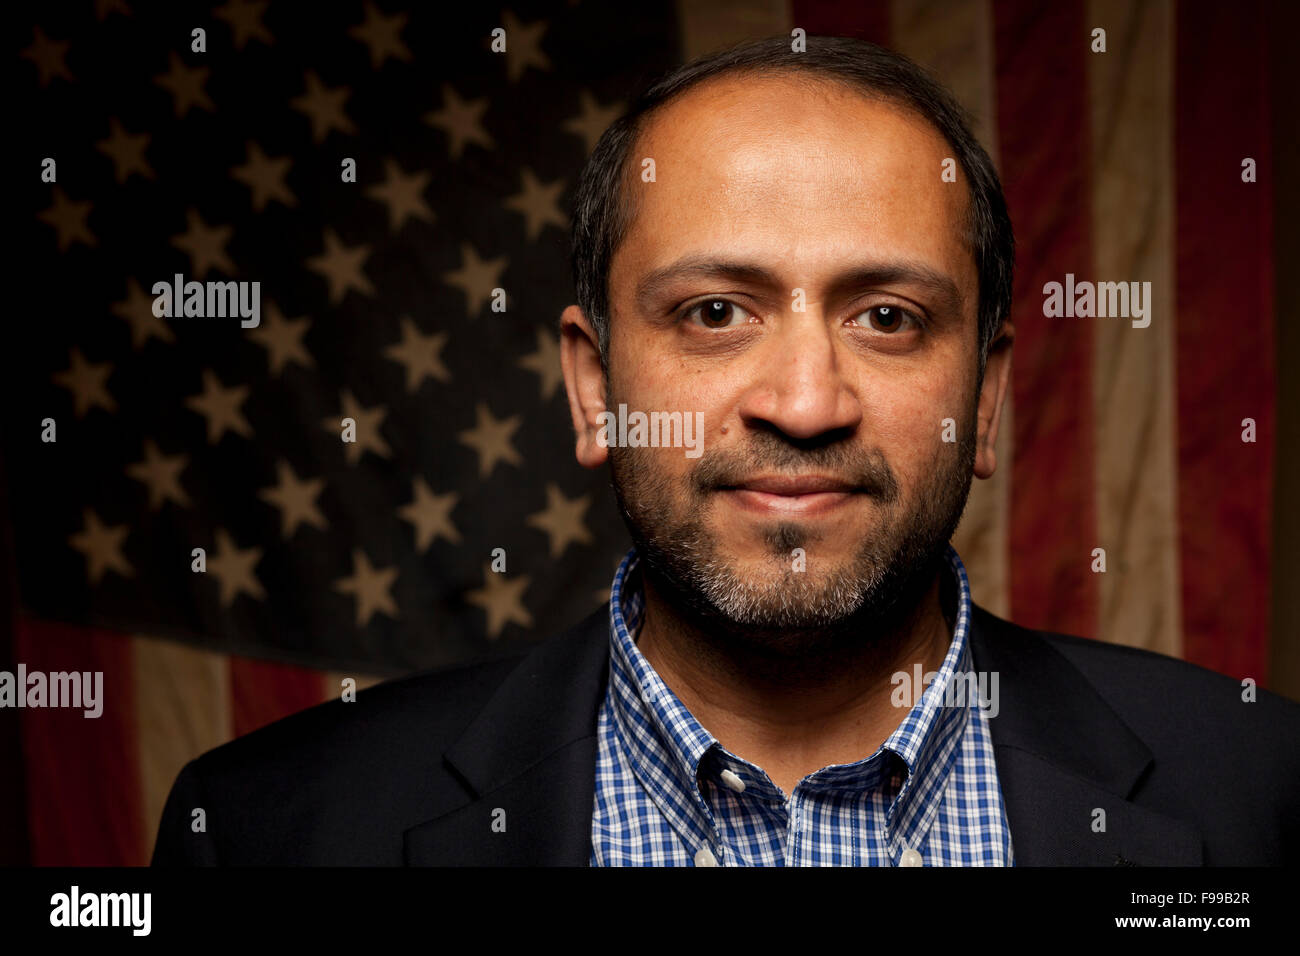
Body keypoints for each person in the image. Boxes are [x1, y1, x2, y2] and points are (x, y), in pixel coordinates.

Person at [153, 35, 1299, 867]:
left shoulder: (1262, 788)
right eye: (713, 312)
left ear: (986, 399)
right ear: (594, 387)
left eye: (887, 317)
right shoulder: (269, 832)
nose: (805, 404)